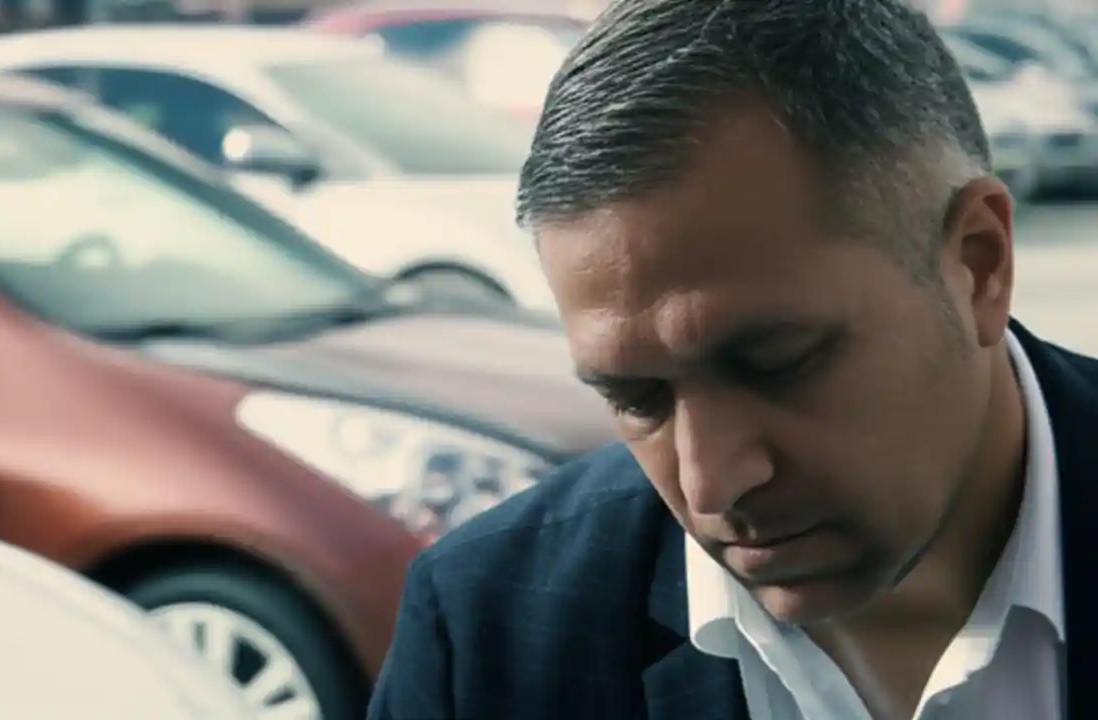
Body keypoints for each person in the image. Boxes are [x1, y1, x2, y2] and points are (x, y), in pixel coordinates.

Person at [368, 2, 1094, 719]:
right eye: (637, 398)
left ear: (978, 265)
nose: (710, 483)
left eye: (777, 362)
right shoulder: (487, 633)